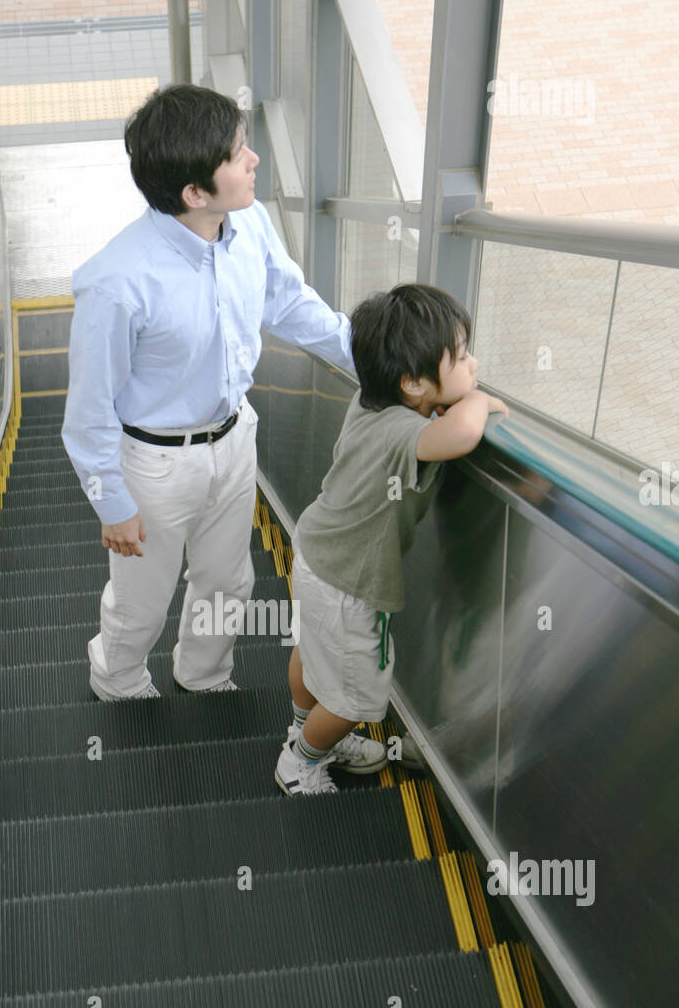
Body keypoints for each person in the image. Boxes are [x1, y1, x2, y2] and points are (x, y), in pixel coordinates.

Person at [61, 84, 356, 700]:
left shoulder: (251, 222)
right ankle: (117, 682)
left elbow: (287, 300)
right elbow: (89, 411)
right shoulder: (116, 283)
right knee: (142, 600)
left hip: (234, 437)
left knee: (228, 582)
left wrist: (370, 359)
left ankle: (203, 674)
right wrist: (111, 501)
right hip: (154, 462)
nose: (253, 162)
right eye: (239, 153)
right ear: (194, 193)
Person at [275, 283, 509, 796]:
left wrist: (449, 391)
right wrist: (481, 399)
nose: (474, 365)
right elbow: (463, 436)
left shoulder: (370, 399)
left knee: (313, 655)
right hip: (348, 582)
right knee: (354, 695)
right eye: (463, 357)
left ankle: (305, 731)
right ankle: (301, 761)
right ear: (413, 383)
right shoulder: (401, 433)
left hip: (315, 554)